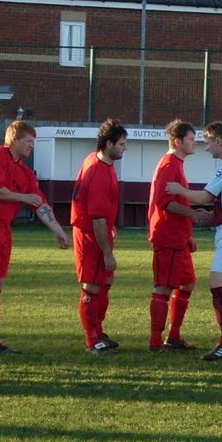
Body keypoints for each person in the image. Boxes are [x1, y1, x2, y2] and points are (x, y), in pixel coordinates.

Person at [0, 120, 71, 356]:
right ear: (14, 139)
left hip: (4, 228)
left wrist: (59, 231)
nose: (31, 146)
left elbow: (40, 203)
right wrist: (23, 198)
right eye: (28, 141)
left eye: (33, 142)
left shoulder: (24, 171)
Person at [164, 122, 222, 360]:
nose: (206, 149)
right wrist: (214, 215)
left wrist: (180, 190)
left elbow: (206, 195)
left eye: (207, 143)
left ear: (218, 141)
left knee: (217, 285)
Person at [147, 120, 205, 353]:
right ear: (178, 141)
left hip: (178, 236)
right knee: (163, 286)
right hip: (167, 236)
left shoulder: (176, 164)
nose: (195, 143)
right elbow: (166, 203)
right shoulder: (169, 164)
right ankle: (154, 342)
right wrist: (194, 214)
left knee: (187, 282)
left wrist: (187, 232)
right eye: (191, 139)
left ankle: (173, 336)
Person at [72, 119, 128, 353]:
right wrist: (107, 252)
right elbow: (96, 218)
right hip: (90, 235)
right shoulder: (98, 172)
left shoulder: (101, 163)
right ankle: (91, 339)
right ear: (108, 144)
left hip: (100, 231)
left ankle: (98, 329)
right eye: (122, 144)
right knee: (92, 285)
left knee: (104, 282)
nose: (125, 148)